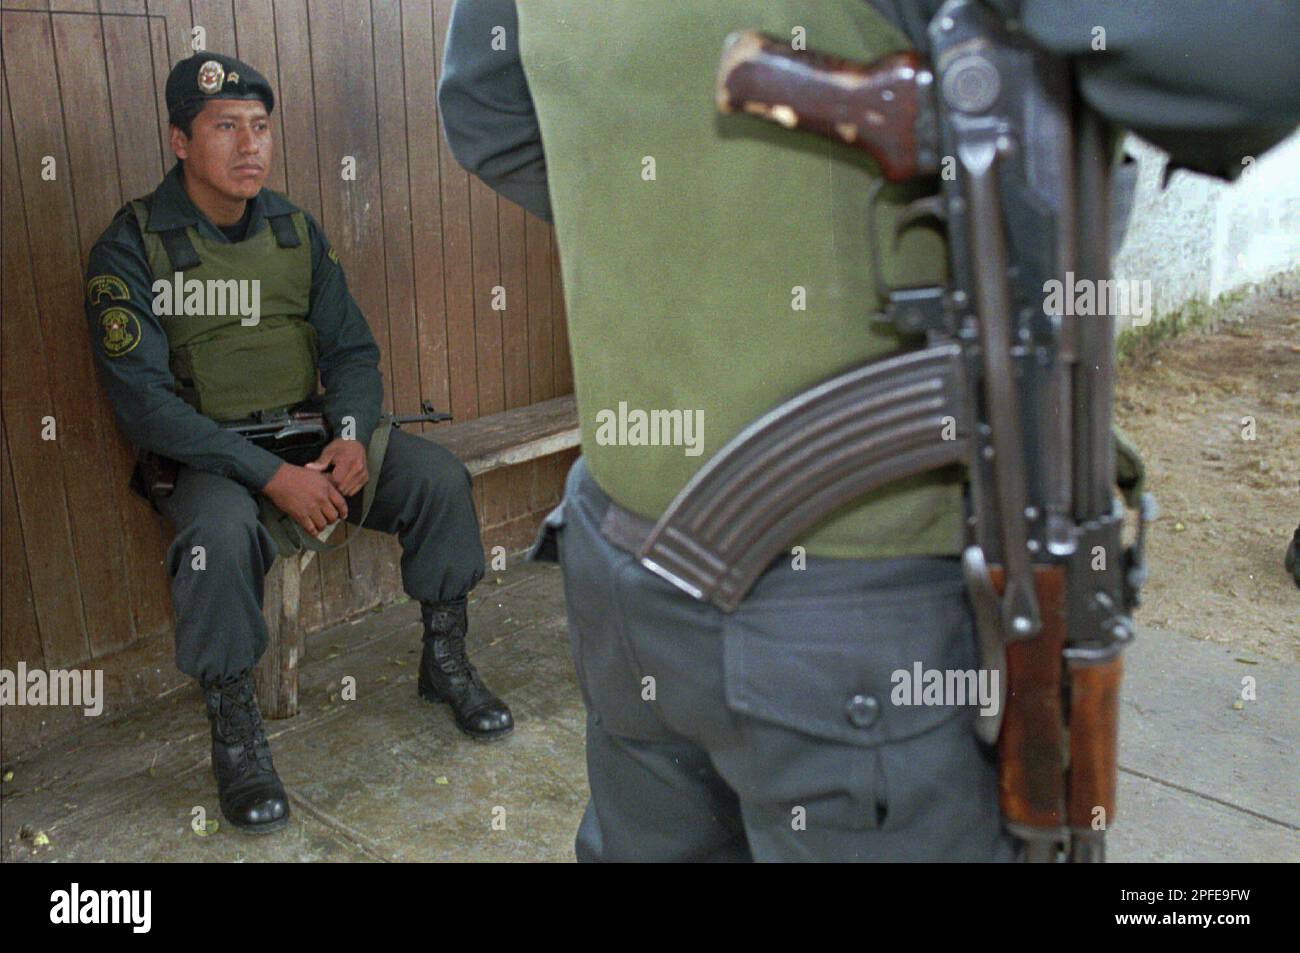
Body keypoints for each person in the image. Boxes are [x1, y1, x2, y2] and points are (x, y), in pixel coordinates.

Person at [439, 0, 1300, 861]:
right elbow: (1255, 62)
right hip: (858, 612)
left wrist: (718, 247)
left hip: (622, 563)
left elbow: (486, 112)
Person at [84, 52, 513, 835]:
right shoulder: (131, 245)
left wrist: (349, 436)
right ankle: (237, 730)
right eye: (225, 128)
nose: (250, 146)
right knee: (216, 537)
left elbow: (351, 350)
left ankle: (442, 660)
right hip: (209, 455)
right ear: (179, 140)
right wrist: (272, 478)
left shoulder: (292, 229)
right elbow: (145, 406)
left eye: (260, 128)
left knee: (437, 479)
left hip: (308, 432)